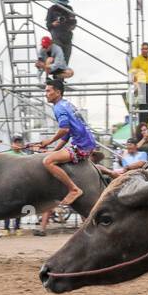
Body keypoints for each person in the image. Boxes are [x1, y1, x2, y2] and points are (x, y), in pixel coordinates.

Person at [35, 78, 96, 207]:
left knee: (48, 161)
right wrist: (54, 150)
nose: (46, 94)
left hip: (81, 146)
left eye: (48, 91)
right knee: (53, 156)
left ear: (57, 92)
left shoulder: (58, 108)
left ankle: (74, 189)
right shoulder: (66, 104)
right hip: (88, 143)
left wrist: (49, 141)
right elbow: (67, 134)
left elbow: (64, 129)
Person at [131, 43, 148, 129]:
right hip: (141, 85)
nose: (144, 50)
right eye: (143, 49)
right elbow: (134, 75)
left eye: (146, 49)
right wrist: (137, 87)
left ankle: (146, 128)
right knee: (142, 109)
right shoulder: (136, 60)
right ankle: (141, 129)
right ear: (141, 50)